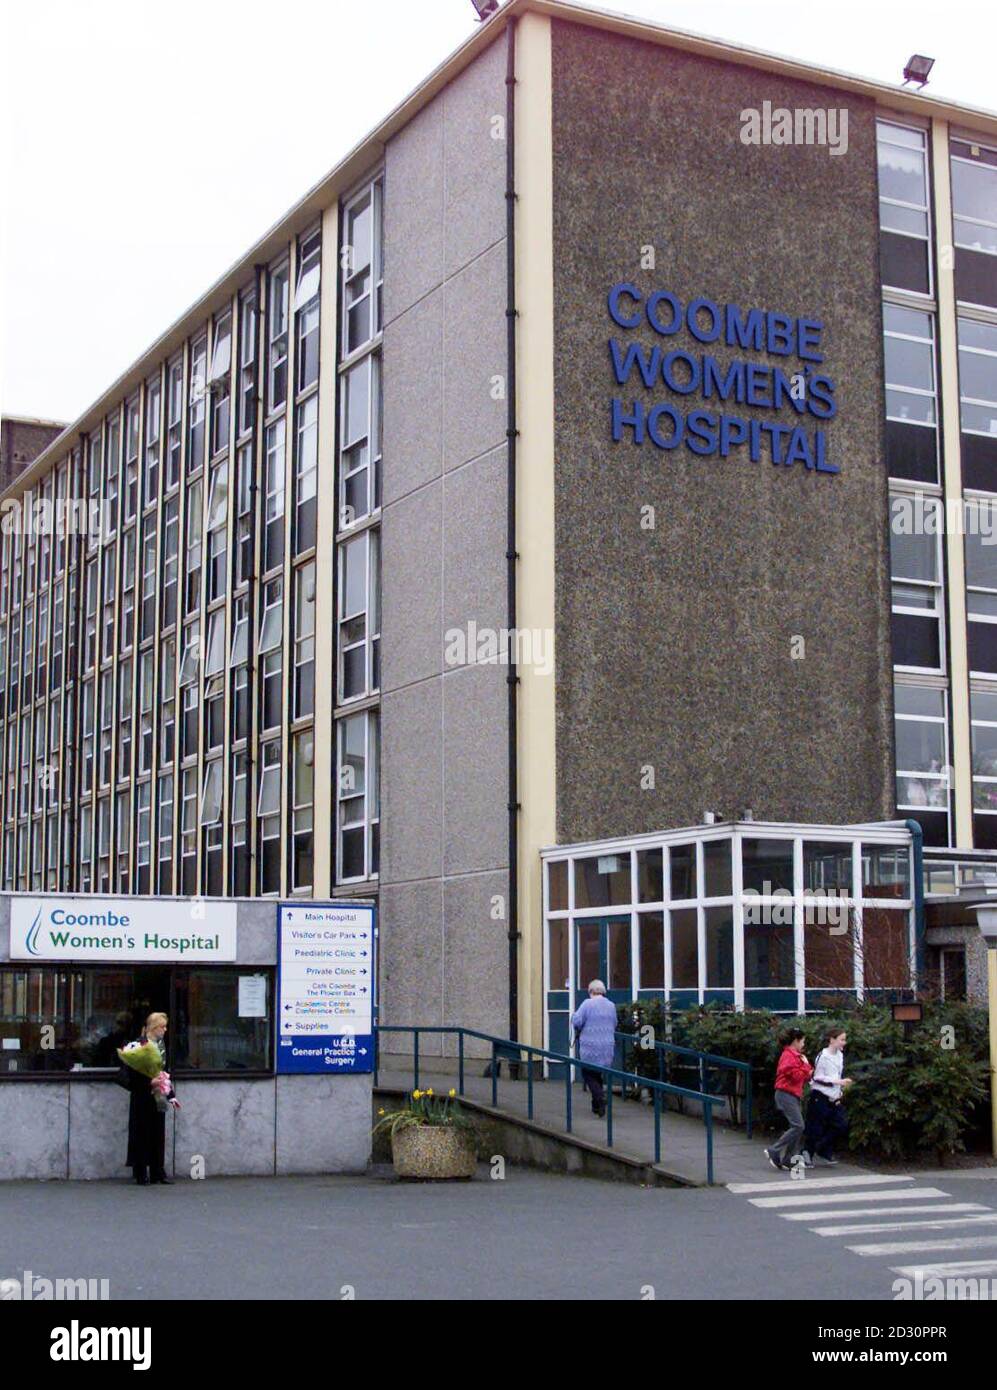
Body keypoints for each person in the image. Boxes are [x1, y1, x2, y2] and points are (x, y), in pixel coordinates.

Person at [117, 1011, 178, 1185]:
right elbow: (132, 1071)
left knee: (158, 1131)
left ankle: (157, 1171)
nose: (165, 1030)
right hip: (142, 1094)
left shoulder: (161, 1045)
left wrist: (168, 1089)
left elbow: (162, 1068)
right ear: (153, 1027)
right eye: (162, 1027)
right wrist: (149, 1081)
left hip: (157, 1094)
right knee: (141, 1131)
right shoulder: (139, 1045)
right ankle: (141, 1170)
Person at [801, 1028, 853, 1167]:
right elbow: (817, 1077)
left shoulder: (840, 1056)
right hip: (820, 1095)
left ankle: (823, 1149)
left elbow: (837, 1073)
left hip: (834, 1096)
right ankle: (807, 1153)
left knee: (840, 1124)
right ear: (832, 1040)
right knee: (815, 1126)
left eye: (844, 1039)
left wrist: (840, 1089)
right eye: (841, 1039)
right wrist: (838, 1082)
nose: (844, 1043)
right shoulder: (823, 1057)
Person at [764, 1029, 813, 1171]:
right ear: (796, 1041)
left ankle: (788, 1159)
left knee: (797, 1126)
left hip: (792, 1094)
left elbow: (805, 1076)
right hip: (786, 1093)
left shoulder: (796, 1056)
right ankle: (774, 1150)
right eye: (802, 1041)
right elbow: (795, 1075)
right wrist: (805, 1067)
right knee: (798, 1126)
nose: (804, 1044)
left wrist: (805, 1067)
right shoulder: (789, 1056)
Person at [571, 979, 617, 1118]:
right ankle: (596, 1105)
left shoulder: (587, 1004)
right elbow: (615, 1023)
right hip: (607, 1046)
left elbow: (578, 1021)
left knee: (588, 1073)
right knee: (598, 1074)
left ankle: (600, 1098)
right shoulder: (611, 1005)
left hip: (590, 1046)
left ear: (591, 991)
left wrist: (573, 1017)